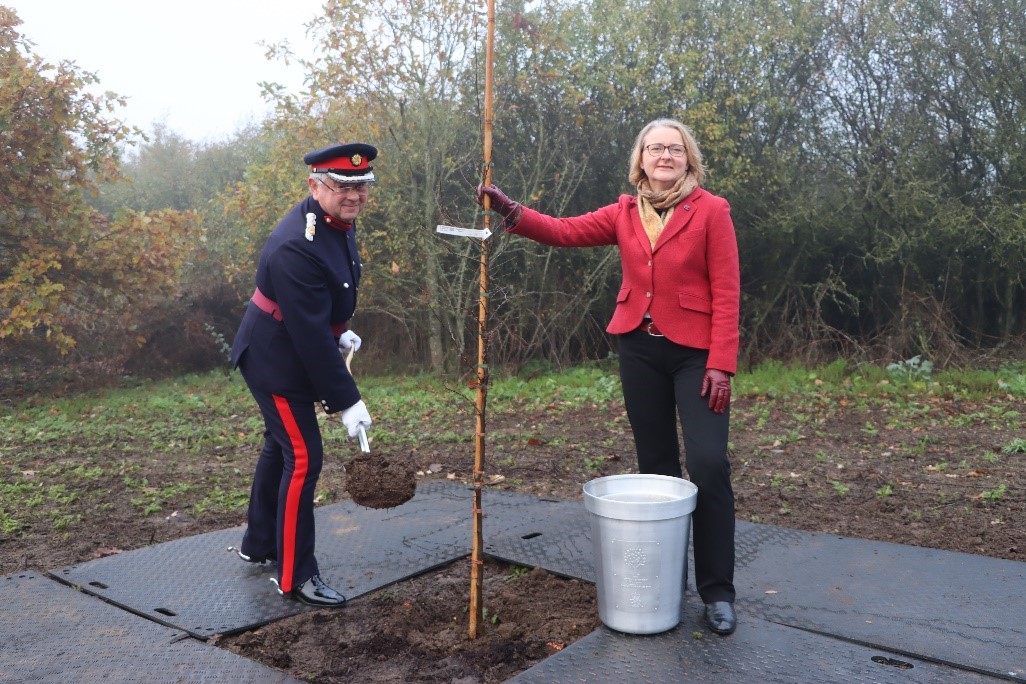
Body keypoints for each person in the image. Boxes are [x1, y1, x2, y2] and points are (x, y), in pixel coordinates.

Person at [477, 118, 741, 635]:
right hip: (638, 350)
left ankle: (718, 592)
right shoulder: (623, 212)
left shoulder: (712, 211)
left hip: (696, 356)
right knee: (658, 473)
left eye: (675, 148)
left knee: (709, 465)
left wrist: (721, 363)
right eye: (655, 148)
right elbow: (562, 230)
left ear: (689, 159)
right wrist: (511, 211)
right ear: (640, 159)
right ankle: (668, 586)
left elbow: (728, 291)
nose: (665, 155)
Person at [228, 143, 377, 607]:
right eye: (341, 185)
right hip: (276, 361)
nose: (353, 195)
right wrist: (348, 400)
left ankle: (258, 545)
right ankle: (295, 575)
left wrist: (341, 332)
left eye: (362, 186)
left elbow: (326, 299)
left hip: (294, 344)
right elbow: (308, 335)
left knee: (279, 446)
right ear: (314, 186)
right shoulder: (295, 244)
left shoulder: (335, 222)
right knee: (304, 457)